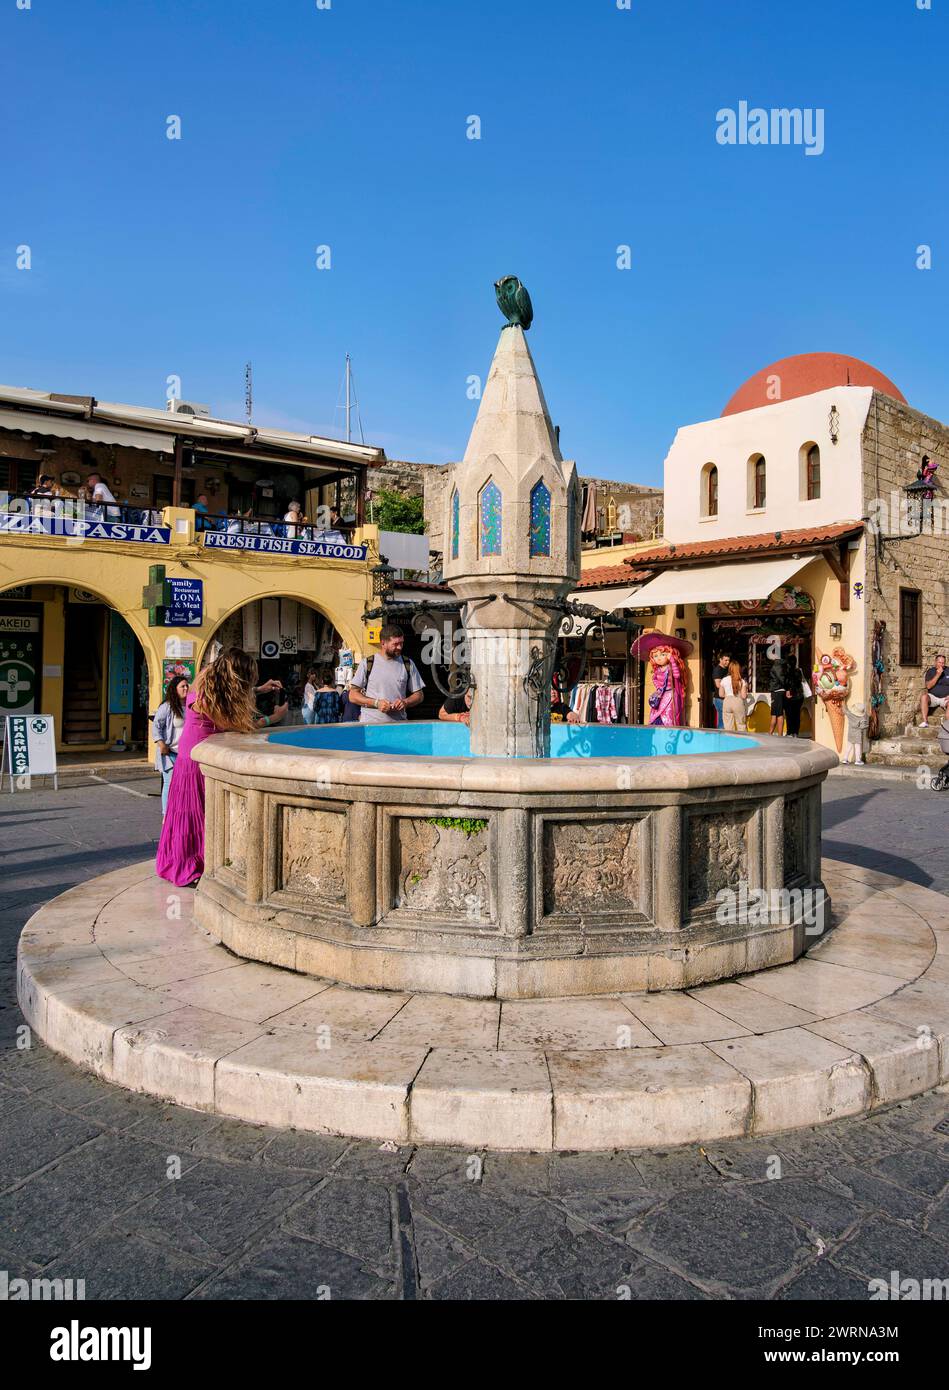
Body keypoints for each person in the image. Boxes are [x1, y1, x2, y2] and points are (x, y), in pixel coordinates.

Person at [156, 647, 261, 887]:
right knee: (197, 812)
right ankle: (189, 867)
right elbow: (233, 724)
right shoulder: (210, 694)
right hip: (198, 758)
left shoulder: (206, 679)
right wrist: (270, 720)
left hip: (191, 754)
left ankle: (179, 862)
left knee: (187, 812)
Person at [349, 625, 425, 723]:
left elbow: (419, 695)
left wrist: (405, 702)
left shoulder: (408, 663)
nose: (400, 647)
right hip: (371, 726)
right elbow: (352, 695)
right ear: (383, 643)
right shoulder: (367, 663)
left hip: (398, 725)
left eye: (401, 643)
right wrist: (376, 703)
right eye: (395, 644)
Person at [152, 673, 190, 816]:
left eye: (187, 685)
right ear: (175, 689)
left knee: (184, 784)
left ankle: (179, 811)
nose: (186, 688)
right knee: (169, 783)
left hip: (185, 753)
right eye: (182, 686)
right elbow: (156, 725)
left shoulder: (190, 706)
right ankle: (166, 814)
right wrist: (161, 743)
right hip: (169, 753)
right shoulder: (167, 706)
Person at [919, 654, 949, 726]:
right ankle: (925, 722)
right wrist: (938, 675)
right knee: (924, 697)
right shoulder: (931, 671)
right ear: (935, 662)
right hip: (933, 697)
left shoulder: (948, 670)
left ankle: (948, 725)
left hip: (945, 698)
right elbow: (928, 686)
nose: (942, 664)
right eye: (940, 662)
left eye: (943, 663)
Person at [720, 660, 748, 731]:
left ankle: (729, 741)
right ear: (738, 669)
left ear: (730, 669)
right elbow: (744, 696)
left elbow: (721, 694)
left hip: (727, 702)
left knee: (728, 727)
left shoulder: (724, 680)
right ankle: (742, 741)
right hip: (738, 701)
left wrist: (728, 695)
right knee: (741, 725)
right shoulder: (741, 681)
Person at [783, 653, 805, 737]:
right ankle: (796, 732)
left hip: (790, 696)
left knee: (789, 715)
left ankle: (789, 732)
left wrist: (788, 690)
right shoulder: (798, 671)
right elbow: (800, 681)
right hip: (799, 696)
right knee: (796, 715)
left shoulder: (787, 672)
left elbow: (786, 683)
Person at [769, 653, 787, 736]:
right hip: (779, 691)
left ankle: (778, 735)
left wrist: (786, 686)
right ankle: (771, 733)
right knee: (776, 713)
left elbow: (781, 678)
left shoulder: (777, 665)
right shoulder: (783, 665)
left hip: (777, 691)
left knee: (777, 714)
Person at [711, 650, 730, 729]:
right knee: (722, 721)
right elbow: (718, 685)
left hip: (724, 698)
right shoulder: (717, 670)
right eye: (725, 660)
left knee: (725, 720)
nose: (727, 662)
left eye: (728, 660)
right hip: (719, 698)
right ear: (720, 659)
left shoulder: (726, 669)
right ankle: (720, 737)